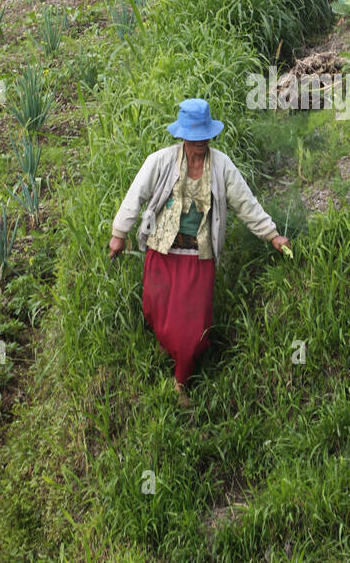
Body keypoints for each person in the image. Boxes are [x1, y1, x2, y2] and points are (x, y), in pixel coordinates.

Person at [108, 98, 291, 405]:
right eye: (195, 138)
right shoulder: (161, 161)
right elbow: (135, 195)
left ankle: (181, 382)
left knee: (192, 327)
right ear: (183, 137)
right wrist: (119, 234)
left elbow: (246, 203)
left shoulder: (221, 166)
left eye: (204, 137)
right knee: (154, 310)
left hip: (197, 258)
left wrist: (272, 235)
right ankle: (171, 349)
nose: (200, 143)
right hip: (162, 253)